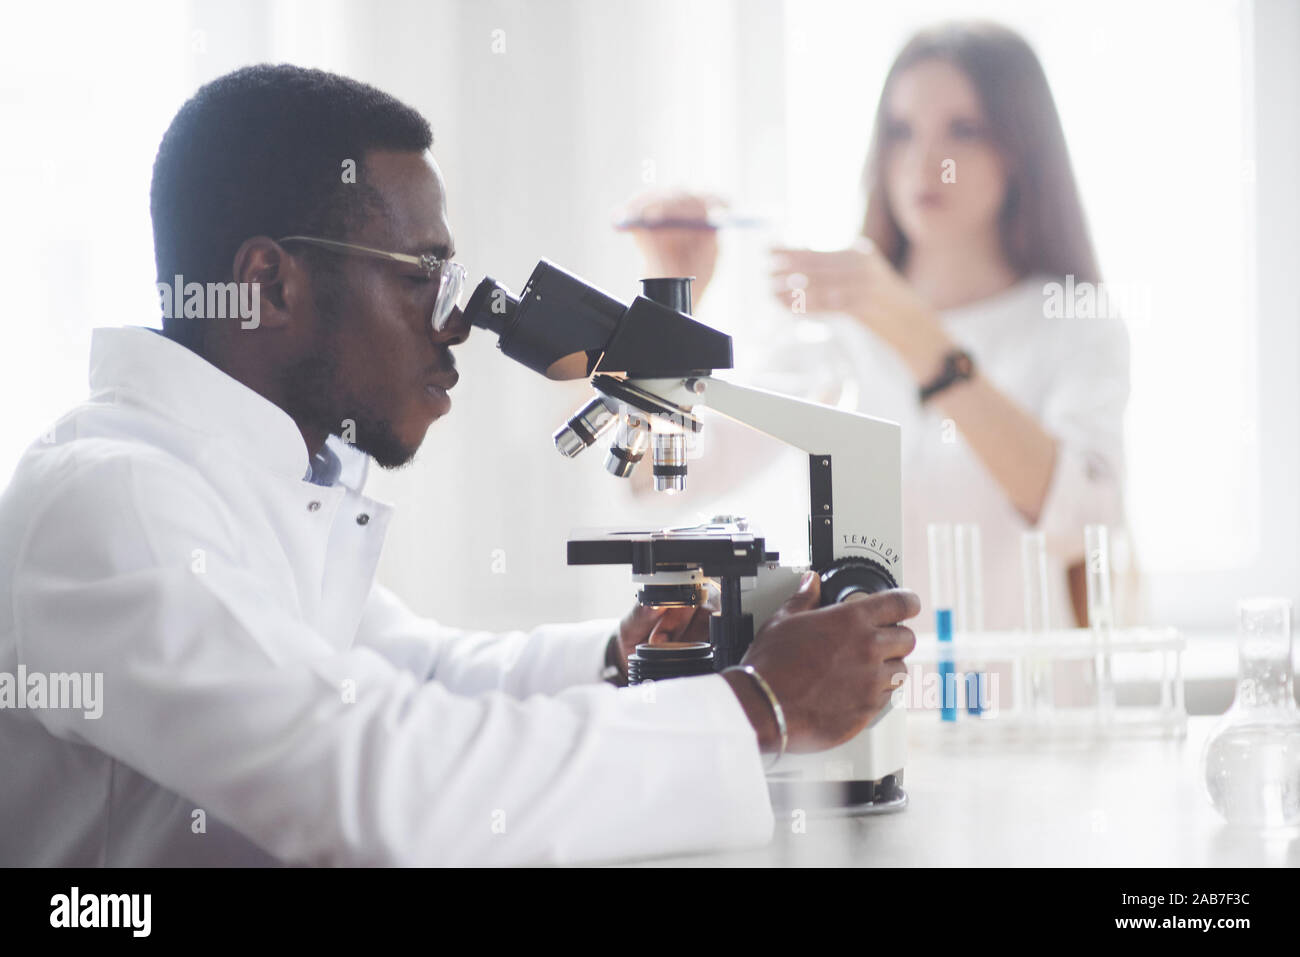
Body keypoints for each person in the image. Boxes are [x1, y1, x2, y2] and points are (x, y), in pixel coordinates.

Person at [0, 64, 918, 866]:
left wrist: (619, 657)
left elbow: (422, 679)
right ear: (269, 284)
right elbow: (372, 784)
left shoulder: (266, 479)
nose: (456, 322)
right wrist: (758, 705)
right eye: (422, 274)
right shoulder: (114, 499)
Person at [621, 21, 1131, 632]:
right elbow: (662, 478)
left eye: (963, 130)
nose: (924, 161)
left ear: (1022, 149)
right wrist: (669, 310)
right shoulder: (836, 326)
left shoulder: (1072, 323)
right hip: (859, 715)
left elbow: (1085, 528)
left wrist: (916, 331)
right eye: (900, 130)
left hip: (1021, 714)